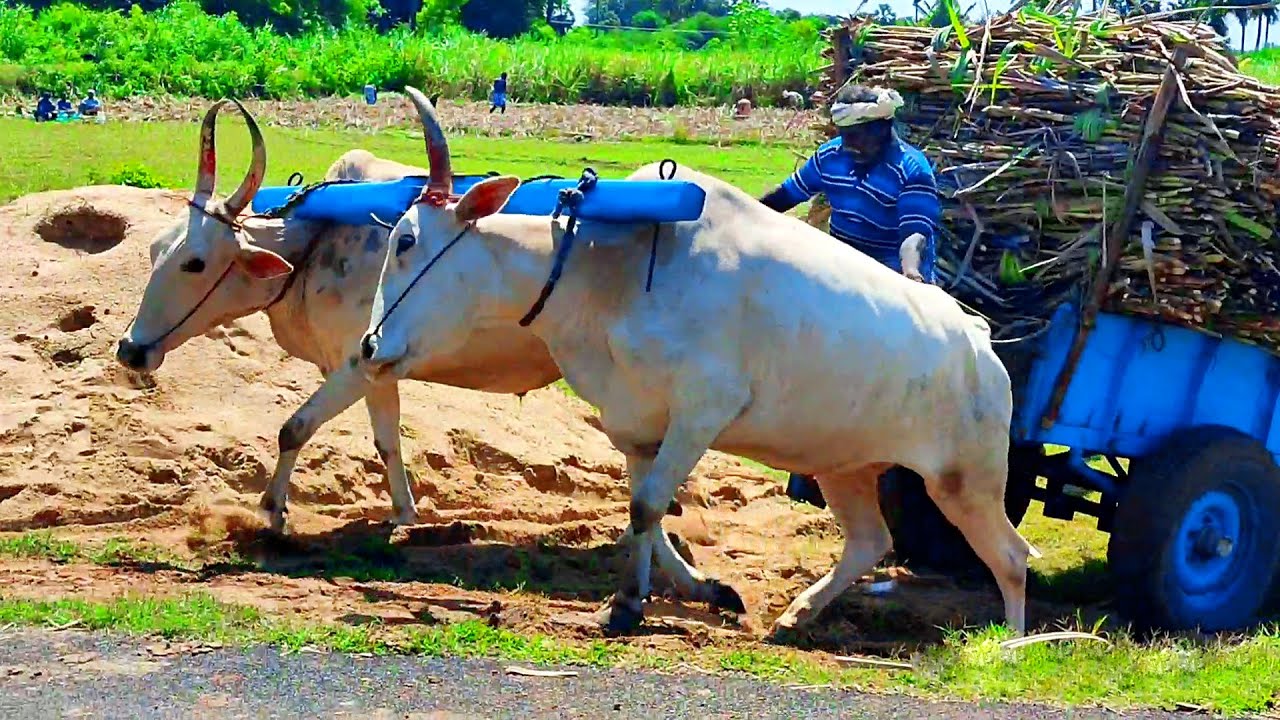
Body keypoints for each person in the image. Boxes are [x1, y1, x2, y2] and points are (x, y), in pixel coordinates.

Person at [755, 83, 943, 510]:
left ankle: (881, 482)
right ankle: (806, 486)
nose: (849, 142)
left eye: (858, 134)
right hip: (839, 278)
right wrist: (734, 216)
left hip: (888, 283)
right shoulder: (832, 156)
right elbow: (784, 197)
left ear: (884, 127)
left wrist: (911, 276)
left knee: (872, 386)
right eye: (844, 133)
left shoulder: (910, 168)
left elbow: (914, 232)